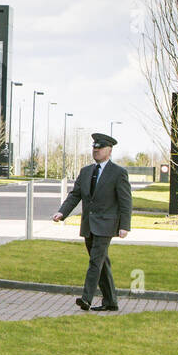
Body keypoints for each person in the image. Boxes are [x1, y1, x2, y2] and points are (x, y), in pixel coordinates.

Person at [51, 132, 132, 312]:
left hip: (106, 225)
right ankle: (111, 301)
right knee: (101, 262)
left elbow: (126, 201)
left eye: (100, 148)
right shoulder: (86, 171)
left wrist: (124, 226)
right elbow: (75, 195)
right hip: (88, 224)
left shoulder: (118, 173)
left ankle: (86, 298)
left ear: (109, 151)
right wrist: (62, 212)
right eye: (94, 148)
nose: (95, 151)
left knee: (95, 261)